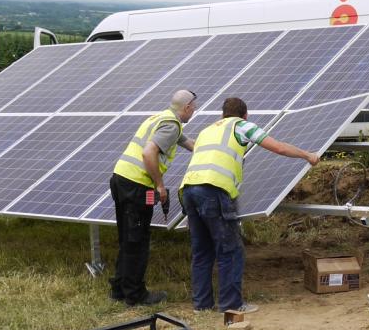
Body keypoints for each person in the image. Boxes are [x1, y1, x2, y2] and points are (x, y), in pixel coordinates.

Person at [181, 97, 319, 313]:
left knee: (202, 251)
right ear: (245, 115)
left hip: (189, 189)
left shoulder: (207, 130)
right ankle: (231, 305)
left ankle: (202, 305)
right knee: (230, 250)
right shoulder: (242, 126)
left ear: (222, 115)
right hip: (214, 190)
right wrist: (307, 155)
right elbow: (279, 148)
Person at [108, 90, 198, 305]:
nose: (195, 111)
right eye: (194, 107)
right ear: (186, 108)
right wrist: (160, 185)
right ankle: (135, 294)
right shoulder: (171, 125)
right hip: (138, 187)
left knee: (128, 237)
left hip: (121, 180)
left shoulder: (161, 118)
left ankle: (120, 289)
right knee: (138, 239)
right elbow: (148, 153)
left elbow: (189, 144)